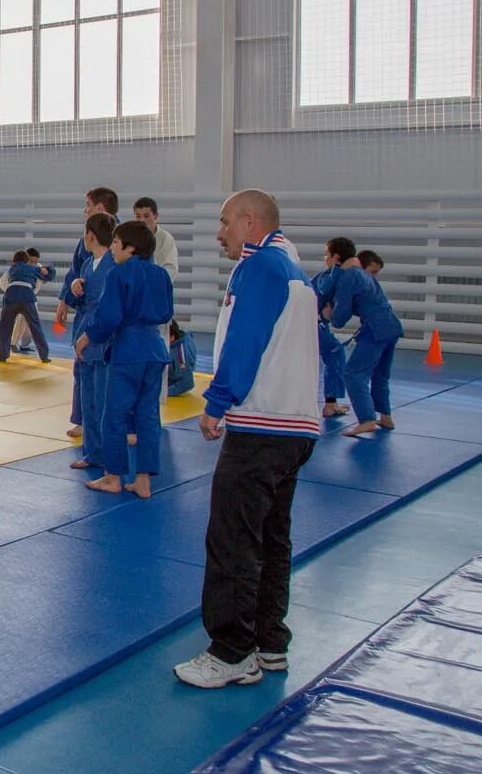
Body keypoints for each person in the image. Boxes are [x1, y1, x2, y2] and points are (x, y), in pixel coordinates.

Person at [175, 189, 319, 690]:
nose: (219, 233)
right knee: (272, 537)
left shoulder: (259, 269)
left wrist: (218, 401)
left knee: (234, 538)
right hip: (296, 425)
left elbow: (246, 340)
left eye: (224, 223)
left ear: (249, 221)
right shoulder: (296, 273)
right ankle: (269, 639)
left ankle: (233, 650)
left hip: (262, 424)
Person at [76, 221, 173, 499]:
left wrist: (86, 337)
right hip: (155, 350)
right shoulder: (161, 275)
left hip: (128, 349)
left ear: (130, 248)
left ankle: (113, 476)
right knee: (147, 416)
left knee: (115, 416)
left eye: (116, 244)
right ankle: (143, 481)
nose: (113, 249)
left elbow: (108, 317)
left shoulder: (118, 275)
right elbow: (166, 313)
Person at [60, 187, 119, 439]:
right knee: (82, 369)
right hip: (85, 316)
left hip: (106, 322)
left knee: (109, 377)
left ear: (100, 207)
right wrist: (65, 299)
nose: (84, 210)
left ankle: (115, 424)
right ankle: (82, 420)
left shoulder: (121, 241)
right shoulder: (85, 247)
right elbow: (75, 272)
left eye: (87, 204)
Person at [328, 249, 403, 437]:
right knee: (380, 374)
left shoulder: (351, 276)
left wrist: (331, 316)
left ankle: (367, 420)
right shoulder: (368, 279)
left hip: (376, 329)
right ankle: (385, 416)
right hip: (391, 326)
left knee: (353, 374)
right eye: (373, 270)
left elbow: (341, 313)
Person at [66, 214, 115, 472]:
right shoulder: (87, 266)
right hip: (84, 334)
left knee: (103, 402)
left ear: (91, 236)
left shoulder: (113, 265)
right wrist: (75, 285)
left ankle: (107, 455)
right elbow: (81, 301)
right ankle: (92, 453)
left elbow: (110, 309)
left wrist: (92, 335)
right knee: (87, 400)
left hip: (103, 338)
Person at [313, 238, 354, 419]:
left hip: (316, 325)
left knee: (334, 352)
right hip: (310, 325)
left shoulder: (340, 277)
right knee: (335, 352)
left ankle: (331, 403)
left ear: (335, 257)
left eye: (326, 255)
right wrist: (339, 268)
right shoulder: (327, 277)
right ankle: (330, 404)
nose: (325, 258)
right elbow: (324, 288)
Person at [0, 249, 56, 363]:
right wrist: (47, 270)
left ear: (14, 261)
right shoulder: (34, 268)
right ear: (27, 260)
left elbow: (2, 282)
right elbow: (50, 275)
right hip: (28, 296)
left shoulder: (12, 268)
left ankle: (2, 355)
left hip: (11, 295)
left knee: (5, 326)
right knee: (35, 326)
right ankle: (44, 356)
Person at [167, 320, 197, 397]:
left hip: (179, 372)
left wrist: (164, 392)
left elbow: (187, 383)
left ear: (171, 338)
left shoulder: (180, 356)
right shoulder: (176, 336)